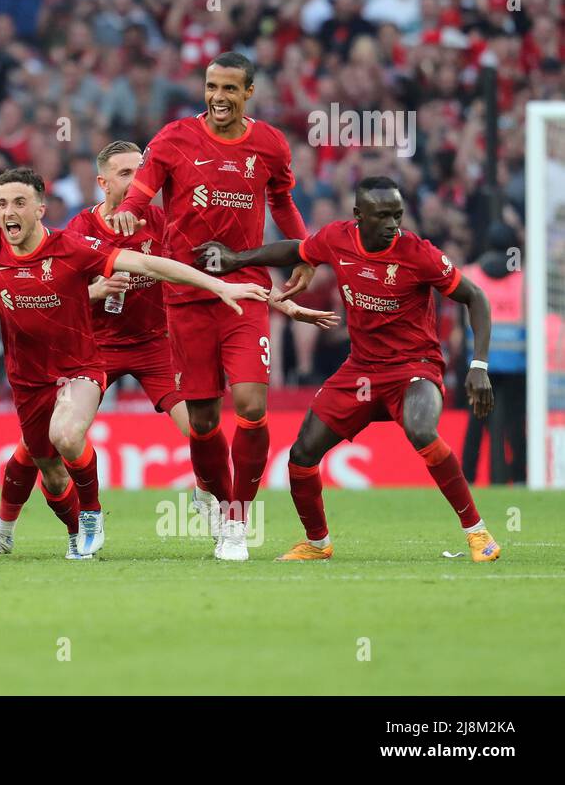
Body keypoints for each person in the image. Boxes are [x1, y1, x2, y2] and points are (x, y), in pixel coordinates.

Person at [0, 167, 271, 559]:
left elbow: (144, 263)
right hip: (28, 378)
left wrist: (217, 284)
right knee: (48, 468)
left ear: (39, 209)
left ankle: (93, 512)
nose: (8, 212)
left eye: (18, 203)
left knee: (68, 435)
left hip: (80, 368)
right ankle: (69, 532)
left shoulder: (71, 246)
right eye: (1, 204)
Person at [0, 143, 338, 557]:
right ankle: (3, 530)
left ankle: (214, 504)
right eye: (126, 174)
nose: (138, 183)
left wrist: (281, 302)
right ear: (102, 183)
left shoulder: (164, 222)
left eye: (141, 172)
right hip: (93, 348)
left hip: (156, 345)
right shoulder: (78, 231)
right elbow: (55, 294)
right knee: (36, 445)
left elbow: (207, 272)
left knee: (202, 427)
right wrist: (96, 290)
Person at [196, 176, 501, 562]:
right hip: (361, 370)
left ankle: (478, 534)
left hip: (414, 368)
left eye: (398, 215)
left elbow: (475, 297)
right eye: (383, 216)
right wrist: (238, 259)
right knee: (302, 455)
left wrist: (478, 364)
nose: (393, 224)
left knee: (421, 429)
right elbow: (298, 249)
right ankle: (318, 543)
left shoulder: (419, 253)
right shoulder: (337, 239)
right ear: (359, 216)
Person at [105, 51, 314, 561]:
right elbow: (143, 189)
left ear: (248, 94)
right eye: (211, 87)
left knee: (251, 405)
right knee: (202, 421)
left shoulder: (269, 144)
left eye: (229, 89)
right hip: (186, 294)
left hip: (245, 290)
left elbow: (283, 201)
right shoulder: (175, 137)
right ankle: (211, 490)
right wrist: (131, 213)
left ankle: (237, 522)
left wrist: (306, 249)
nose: (218, 98)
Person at [459, 223, 526, 484]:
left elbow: (461, 320)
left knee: (475, 425)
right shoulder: (523, 279)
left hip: (480, 362)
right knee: (515, 424)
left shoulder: (471, 273)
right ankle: (519, 477)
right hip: (515, 365)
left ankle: (467, 478)